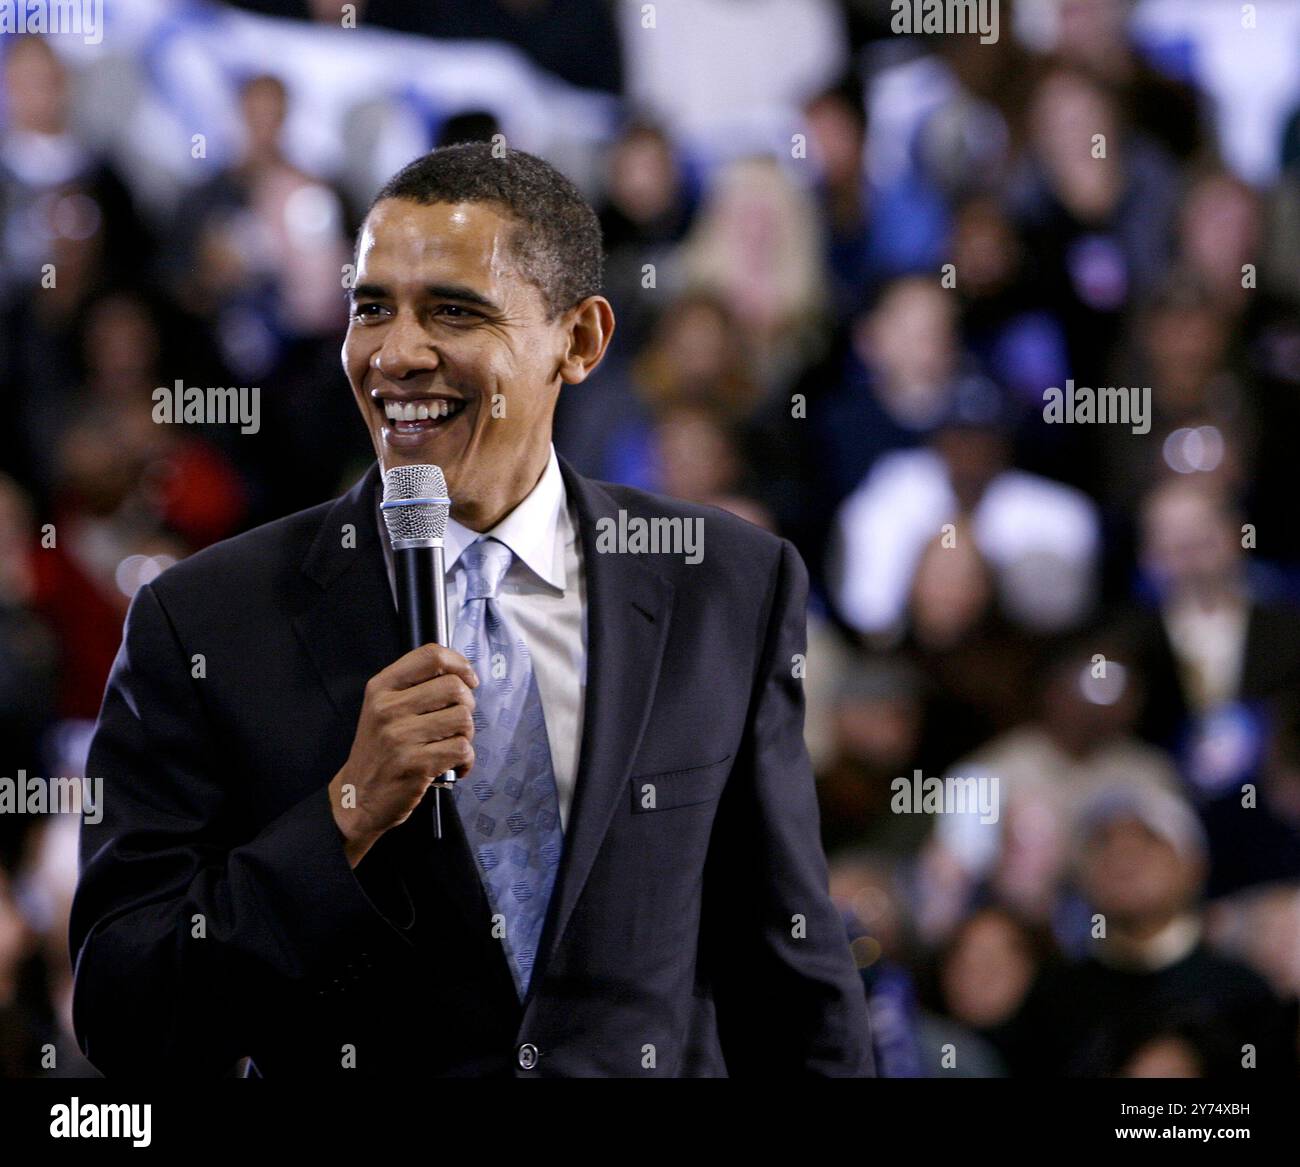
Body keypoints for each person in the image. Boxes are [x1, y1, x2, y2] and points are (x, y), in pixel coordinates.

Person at [68, 143, 873, 1078]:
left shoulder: (724, 583)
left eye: (453, 310)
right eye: (372, 307)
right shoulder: (206, 621)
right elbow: (128, 1012)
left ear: (580, 342)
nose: (397, 353)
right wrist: (345, 814)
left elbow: (793, 978)